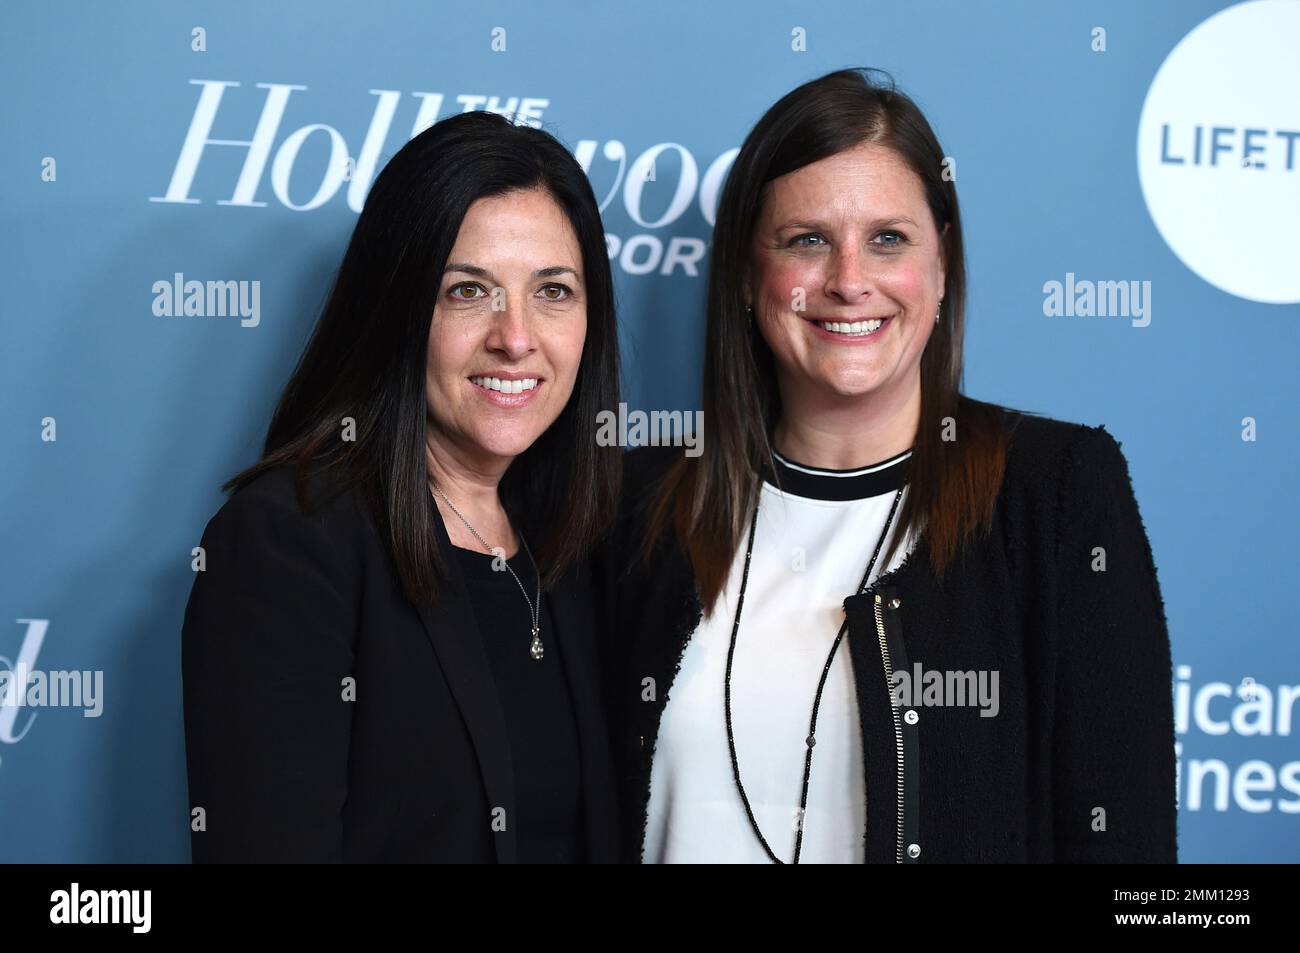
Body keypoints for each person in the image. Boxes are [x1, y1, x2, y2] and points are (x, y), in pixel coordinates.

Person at [599, 68, 1177, 863]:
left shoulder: (1054, 495)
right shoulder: (637, 502)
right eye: (806, 240)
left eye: (888, 239)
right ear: (745, 275)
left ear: (941, 269)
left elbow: (1127, 850)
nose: (847, 281)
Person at [182, 110, 622, 863]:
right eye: (466, 291)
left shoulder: (578, 541)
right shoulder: (289, 540)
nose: (516, 336)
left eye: (553, 291)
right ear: (396, 308)